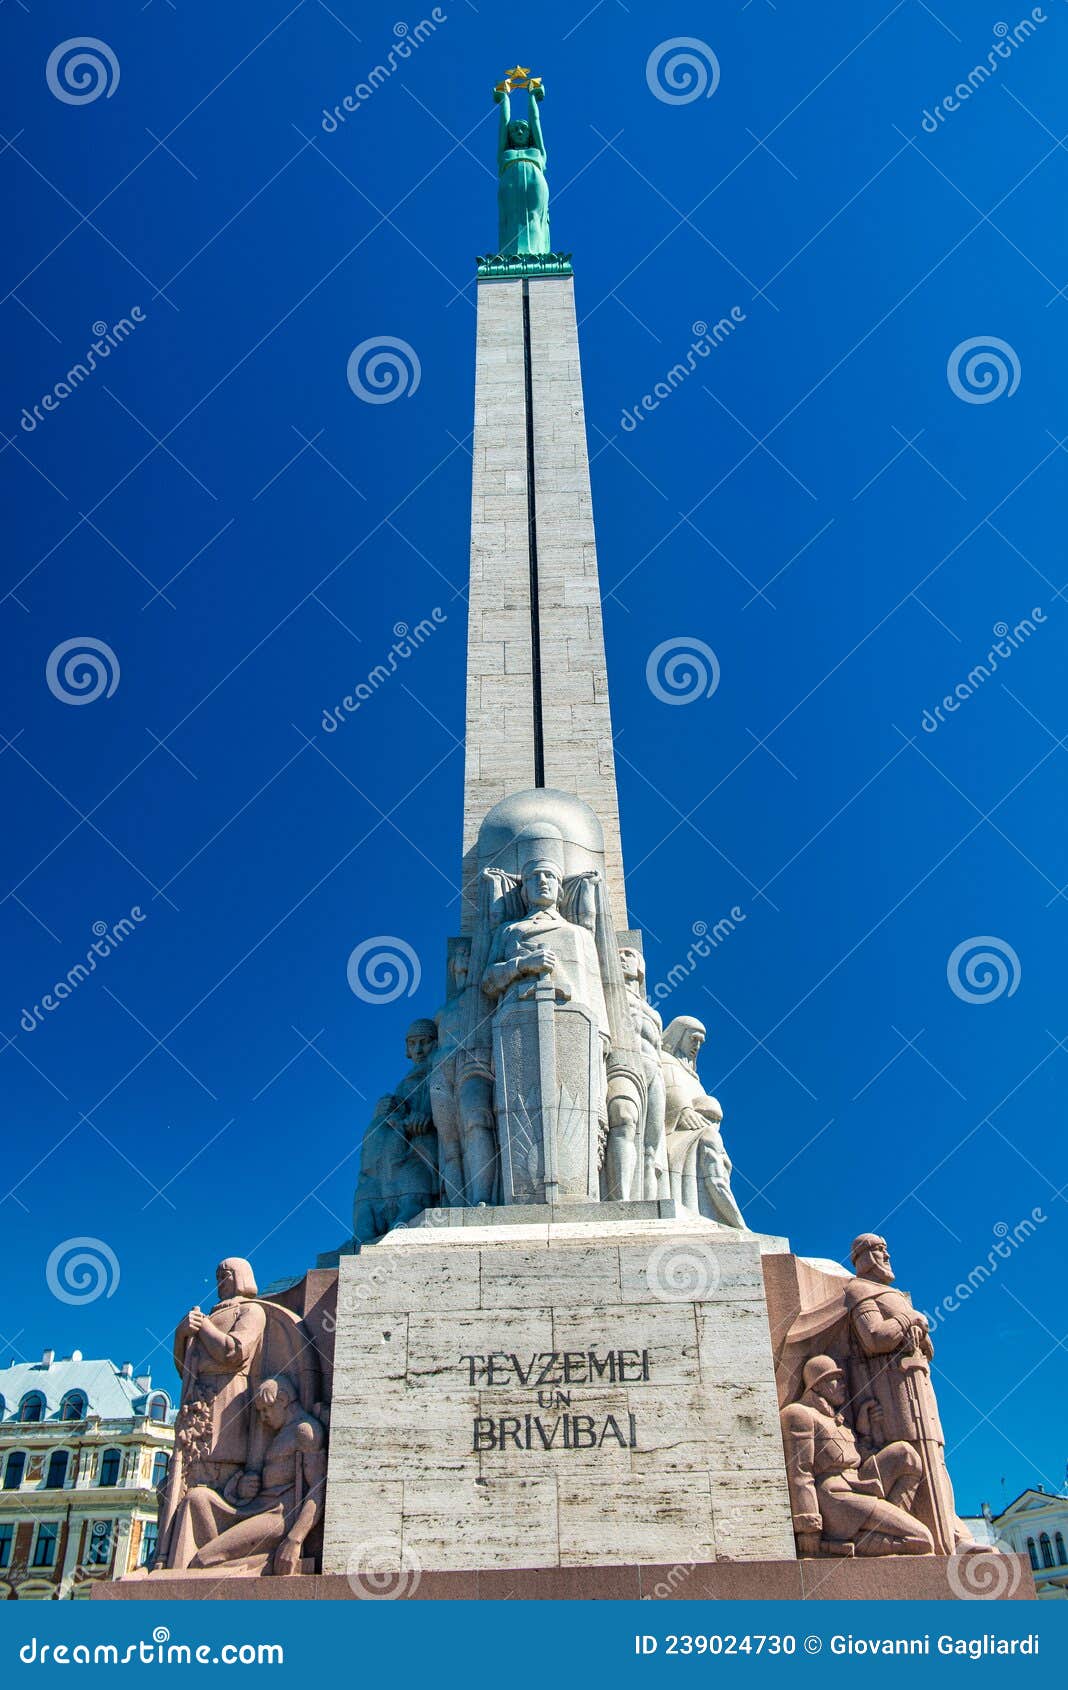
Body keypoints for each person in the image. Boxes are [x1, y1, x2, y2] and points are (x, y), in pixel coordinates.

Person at [166, 1376, 326, 1576]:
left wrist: (295, 1539)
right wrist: (241, 1488)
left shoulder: (305, 1431)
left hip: (278, 1515)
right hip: (255, 1507)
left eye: (267, 1409)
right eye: (260, 1412)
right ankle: (170, 1566)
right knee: (196, 1498)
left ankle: (261, 1564)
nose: (264, 1417)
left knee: (203, 1559)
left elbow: (318, 1487)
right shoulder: (282, 1432)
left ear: (283, 1400)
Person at [780, 1355, 932, 1557]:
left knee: (906, 1455)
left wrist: (865, 1431)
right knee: (923, 1540)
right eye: (835, 1379)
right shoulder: (799, 1414)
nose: (843, 1384)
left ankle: (878, 1528)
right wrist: (809, 1526)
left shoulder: (837, 1418)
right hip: (836, 1496)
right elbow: (800, 1471)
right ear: (818, 1385)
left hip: (859, 1483)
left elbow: (854, 1458)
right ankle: (841, 1545)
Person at [661, 1016, 746, 1227]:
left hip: (697, 1133)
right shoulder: (666, 1061)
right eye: (693, 1039)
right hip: (676, 1137)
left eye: (701, 1042)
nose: (697, 1046)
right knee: (711, 1147)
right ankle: (732, 1220)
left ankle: (718, 1217)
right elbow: (672, 1096)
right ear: (679, 1036)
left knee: (720, 1159)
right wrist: (685, 1110)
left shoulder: (692, 1077)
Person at [494, 82, 549, 255]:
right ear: (509, 135)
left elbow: (535, 121)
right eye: (515, 129)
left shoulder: (538, 152)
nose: (519, 132)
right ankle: (509, 255)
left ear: (529, 133)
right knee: (510, 217)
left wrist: (532, 96)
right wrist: (504, 99)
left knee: (534, 216)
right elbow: (504, 123)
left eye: (523, 129)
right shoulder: (505, 152)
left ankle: (537, 253)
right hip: (509, 183)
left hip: (535, 181)